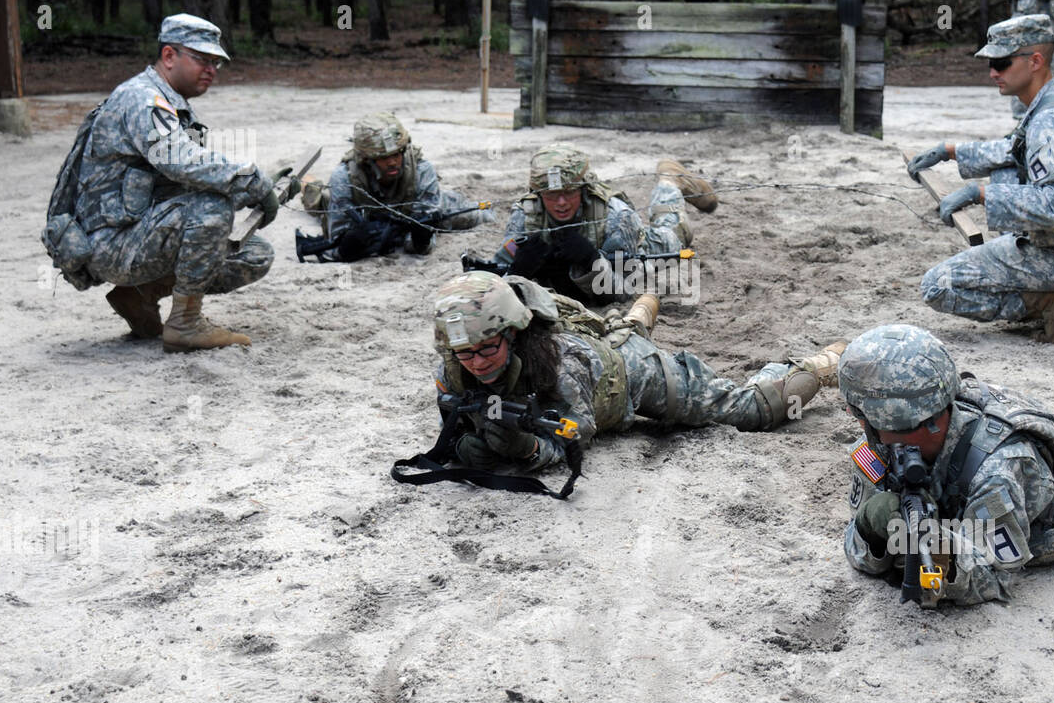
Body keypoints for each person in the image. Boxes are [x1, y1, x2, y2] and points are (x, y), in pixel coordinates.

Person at [837, 324, 1054, 607]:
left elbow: (995, 574)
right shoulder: (880, 451)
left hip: (1050, 487)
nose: (859, 424)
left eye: (860, 415)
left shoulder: (998, 471)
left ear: (885, 417)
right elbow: (856, 546)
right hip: (975, 477)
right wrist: (872, 529)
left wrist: (940, 551)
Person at [429, 271, 843, 472]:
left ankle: (821, 365)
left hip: (632, 377)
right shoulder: (455, 364)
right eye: (466, 354)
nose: (477, 362)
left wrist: (528, 450)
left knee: (752, 411)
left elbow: (576, 435)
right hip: (603, 357)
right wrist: (465, 442)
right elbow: (456, 414)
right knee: (621, 336)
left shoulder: (560, 365)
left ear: (514, 333)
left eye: (487, 349)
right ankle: (635, 318)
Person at [44, 13, 278, 351]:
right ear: (169, 56)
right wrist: (251, 181)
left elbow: (187, 178)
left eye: (217, 63)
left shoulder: (169, 103)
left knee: (253, 254)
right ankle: (185, 323)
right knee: (211, 208)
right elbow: (181, 161)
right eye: (202, 59)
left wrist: (263, 189)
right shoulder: (141, 98)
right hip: (109, 241)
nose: (211, 69)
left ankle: (138, 296)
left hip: (136, 233)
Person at [904, 14, 1054, 343]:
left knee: (938, 286)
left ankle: (1050, 303)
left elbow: (1052, 205)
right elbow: (1016, 149)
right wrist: (951, 151)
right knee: (1006, 172)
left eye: (1001, 63)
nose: (992, 73)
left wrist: (979, 194)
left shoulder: (1051, 121)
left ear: (1035, 61)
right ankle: (1046, 291)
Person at [479, 144, 717, 306]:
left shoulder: (616, 216)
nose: (560, 203)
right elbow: (497, 278)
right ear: (538, 194)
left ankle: (670, 181)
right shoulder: (525, 216)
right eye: (551, 196)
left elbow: (623, 293)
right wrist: (518, 271)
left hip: (638, 248)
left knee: (673, 230)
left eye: (569, 193)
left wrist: (591, 260)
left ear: (583, 190)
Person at [295, 112, 493, 262]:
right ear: (366, 160)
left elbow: (425, 243)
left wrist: (418, 239)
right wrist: (351, 245)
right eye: (384, 158)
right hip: (364, 214)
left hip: (414, 210)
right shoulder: (344, 177)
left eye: (397, 154)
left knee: (479, 215)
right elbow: (336, 237)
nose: (393, 162)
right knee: (319, 201)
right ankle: (308, 186)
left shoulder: (422, 171)